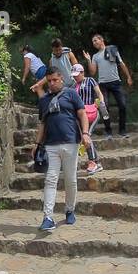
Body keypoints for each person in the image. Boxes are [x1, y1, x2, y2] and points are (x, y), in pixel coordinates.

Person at [32, 68, 89, 231]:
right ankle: (47, 217)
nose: (51, 83)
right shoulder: (43, 101)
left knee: (71, 180)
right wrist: (37, 144)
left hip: (71, 142)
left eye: (54, 80)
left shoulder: (71, 94)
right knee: (51, 179)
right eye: (49, 81)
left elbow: (82, 114)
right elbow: (42, 123)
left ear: (61, 79)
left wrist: (85, 133)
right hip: (50, 145)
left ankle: (70, 210)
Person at [80, 34, 133, 139]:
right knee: (104, 107)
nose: (94, 43)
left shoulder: (112, 50)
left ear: (101, 40)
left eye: (96, 40)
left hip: (116, 82)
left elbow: (121, 64)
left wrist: (128, 77)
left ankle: (122, 131)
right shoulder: (95, 56)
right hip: (103, 85)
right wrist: (89, 60)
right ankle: (108, 132)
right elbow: (93, 72)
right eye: (93, 42)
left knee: (122, 105)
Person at [71, 63, 106, 175]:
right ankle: (96, 163)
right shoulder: (73, 86)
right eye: (74, 75)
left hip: (92, 113)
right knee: (83, 138)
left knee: (87, 136)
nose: (76, 77)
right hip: (80, 116)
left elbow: (99, 94)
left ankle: (93, 162)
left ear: (82, 72)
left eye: (77, 74)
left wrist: (101, 104)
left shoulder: (90, 80)